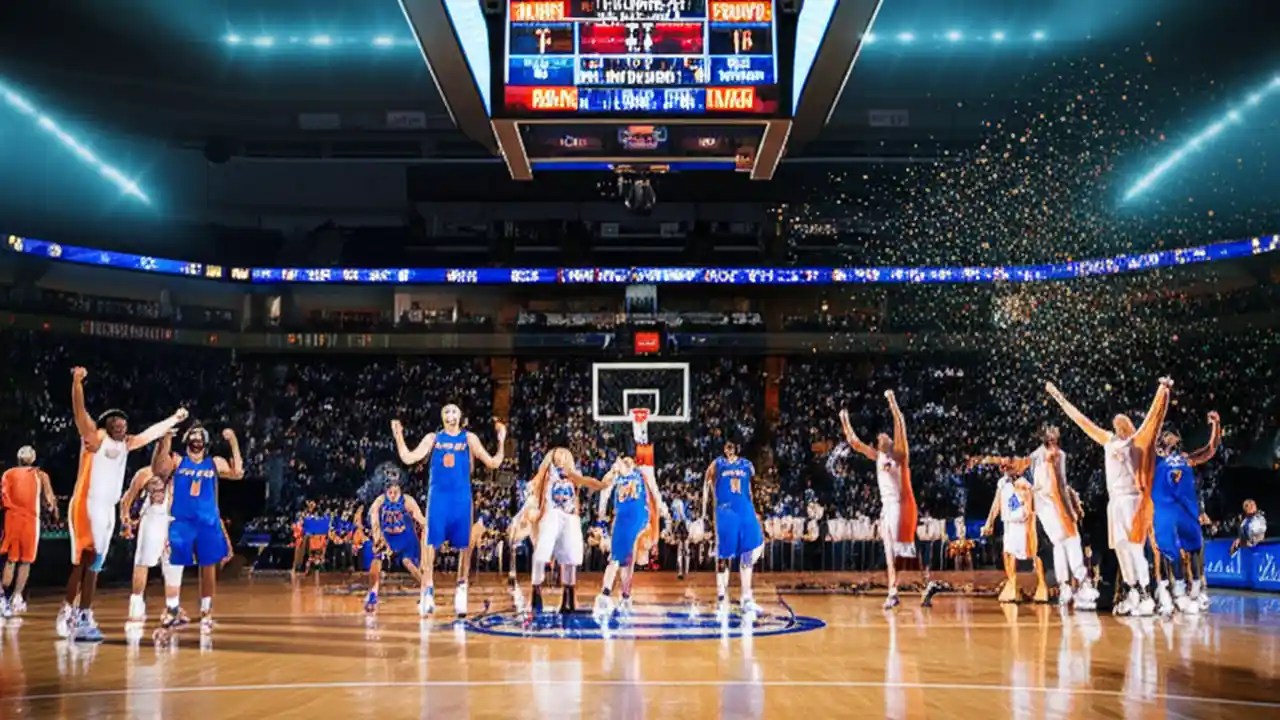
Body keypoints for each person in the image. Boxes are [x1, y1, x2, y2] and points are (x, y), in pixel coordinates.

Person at [61, 366, 187, 642]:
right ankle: (71, 612)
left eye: (123, 423)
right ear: (106, 426)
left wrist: (173, 419)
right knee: (84, 561)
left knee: (95, 565)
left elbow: (150, 434)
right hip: (86, 504)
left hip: (106, 510)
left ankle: (83, 613)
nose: (120, 426)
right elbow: (79, 413)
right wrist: (77, 382)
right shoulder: (94, 440)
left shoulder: (127, 444)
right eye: (115, 423)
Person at [1047, 378, 1172, 617]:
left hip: (1133, 500)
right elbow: (1082, 421)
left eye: (1121, 422)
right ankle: (1132, 591)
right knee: (1122, 549)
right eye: (1116, 423)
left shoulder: (1138, 441)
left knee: (1135, 548)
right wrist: (1059, 397)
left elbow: (1154, 418)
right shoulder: (1108, 440)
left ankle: (1146, 594)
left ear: (1128, 425)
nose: (1118, 425)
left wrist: (1163, 390)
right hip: (1114, 502)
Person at [391, 405, 506, 618]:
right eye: (446, 411)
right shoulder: (433, 438)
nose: (450, 414)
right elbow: (408, 457)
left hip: (461, 498)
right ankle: (427, 588)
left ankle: (461, 588)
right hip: (438, 498)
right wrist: (399, 436)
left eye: (454, 411)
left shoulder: (469, 438)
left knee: (465, 544)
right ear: (442, 416)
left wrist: (501, 441)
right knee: (429, 541)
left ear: (460, 416)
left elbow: (493, 462)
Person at [969, 426, 1098, 611]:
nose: (1006, 465)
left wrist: (1072, 506)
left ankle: (1060, 585)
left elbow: (1061, 486)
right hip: (1025, 517)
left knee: (1050, 548)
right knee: (1045, 547)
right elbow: (998, 499)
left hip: (1034, 517)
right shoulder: (1013, 476)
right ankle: (1062, 587)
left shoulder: (1039, 467)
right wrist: (985, 460)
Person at [839, 391, 939, 610]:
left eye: (888, 435)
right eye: (882, 436)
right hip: (887, 509)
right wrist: (844, 420)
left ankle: (923, 583)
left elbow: (900, 425)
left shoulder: (900, 457)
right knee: (891, 554)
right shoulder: (878, 456)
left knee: (904, 553)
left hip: (900, 508)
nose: (885, 436)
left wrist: (892, 403)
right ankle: (898, 590)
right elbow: (854, 443)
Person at [150, 424, 243, 633]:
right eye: (193, 435)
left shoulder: (214, 463)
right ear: (187, 440)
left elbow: (237, 472)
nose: (197, 438)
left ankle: (206, 612)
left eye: (200, 435)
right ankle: (173, 609)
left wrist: (233, 441)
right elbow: (158, 470)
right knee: (175, 565)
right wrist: (164, 442)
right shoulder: (178, 460)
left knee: (208, 567)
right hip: (181, 521)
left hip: (207, 522)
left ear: (206, 441)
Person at [1152, 411, 1221, 616]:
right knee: (1168, 550)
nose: (1171, 437)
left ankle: (1198, 589)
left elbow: (1211, 449)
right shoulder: (1155, 459)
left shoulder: (1186, 459)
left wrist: (1216, 426)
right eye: (1167, 435)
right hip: (1165, 510)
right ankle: (1175, 589)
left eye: (1173, 435)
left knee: (1195, 549)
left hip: (1186, 510)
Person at [524, 447, 605, 615]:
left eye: (563, 454)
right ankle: (536, 592)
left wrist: (602, 485)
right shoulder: (546, 472)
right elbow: (535, 486)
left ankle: (569, 597)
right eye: (557, 454)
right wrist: (534, 507)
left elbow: (583, 484)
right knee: (541, 553)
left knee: (570, 557)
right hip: (551, 514)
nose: (560, 457)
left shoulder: (572, 474)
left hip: (568, 516)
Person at [592, 455, 664, 622]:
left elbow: (654, 492)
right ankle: (605, 594)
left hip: (639, 520)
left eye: (629, 460)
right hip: (622, 520)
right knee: (616, 559)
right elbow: (604, 487)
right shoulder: (616, 475)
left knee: (629, 560)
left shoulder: (642, 474)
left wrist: (663, 511)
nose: (627, 461)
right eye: (624, 460)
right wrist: (601, 514)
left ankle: (625, 597)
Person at [700, 441, 765, 615]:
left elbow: (753, 488)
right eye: (726, 446)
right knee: (724, 555)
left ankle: (746, 597)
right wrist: (704, 513)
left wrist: (756, 509)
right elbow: (706, 485)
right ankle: (722, 598)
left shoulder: (746, 464)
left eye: (732, 445)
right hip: (725, 511)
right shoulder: (717, 463)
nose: (729, 448)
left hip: (744, 510)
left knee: (750, 551)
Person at [118, 464, 182, 624]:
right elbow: (127, 499)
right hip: (153, 518)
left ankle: (173, 609)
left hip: (174, 521)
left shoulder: (179, 471)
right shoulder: (145, 473)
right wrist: (125, 522)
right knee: (143, 562)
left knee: (173, 565)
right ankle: (136, 607)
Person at [0, 445, 58, 618]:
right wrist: (52, 510)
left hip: (12, 520)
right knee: (25, 561)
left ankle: (3, 597)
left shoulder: (8, 474)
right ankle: (16, 597)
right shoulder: (40, 475)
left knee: (12, 559)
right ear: (33, 459)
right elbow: (49, 499)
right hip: (29, 521)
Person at [979, 460, 1044, 603]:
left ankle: (1042, 585)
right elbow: (996, 504)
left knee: (1028, 553)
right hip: (1008, 522)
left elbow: (1028, 505)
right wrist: (989, 522)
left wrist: (1025, 513)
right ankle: (1012, 584)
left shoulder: (1025, 483)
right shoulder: (1003, 483)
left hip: (1022, 522)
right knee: (1007, 553)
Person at [362, 468, 426, 614]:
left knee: (408, 563)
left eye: (395, 488)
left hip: (404, 537)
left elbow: (419, 517)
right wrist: (378, 537)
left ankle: (426, 590)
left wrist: (429, 527)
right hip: (388, 537)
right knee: (377, 559)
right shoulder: (380, 501)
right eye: (390, 488)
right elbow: (374, 518)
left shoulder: (407, 500)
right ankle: (373, 593)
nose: (392, 491)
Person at [669, 494, 692, 580]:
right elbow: (677, 518)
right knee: (682, 550)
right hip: (682, 528)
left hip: (683, 528)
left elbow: (683, 518)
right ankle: (682, 571)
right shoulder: (680, 506)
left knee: (684, 550)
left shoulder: (682, 506)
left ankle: (684, 571)